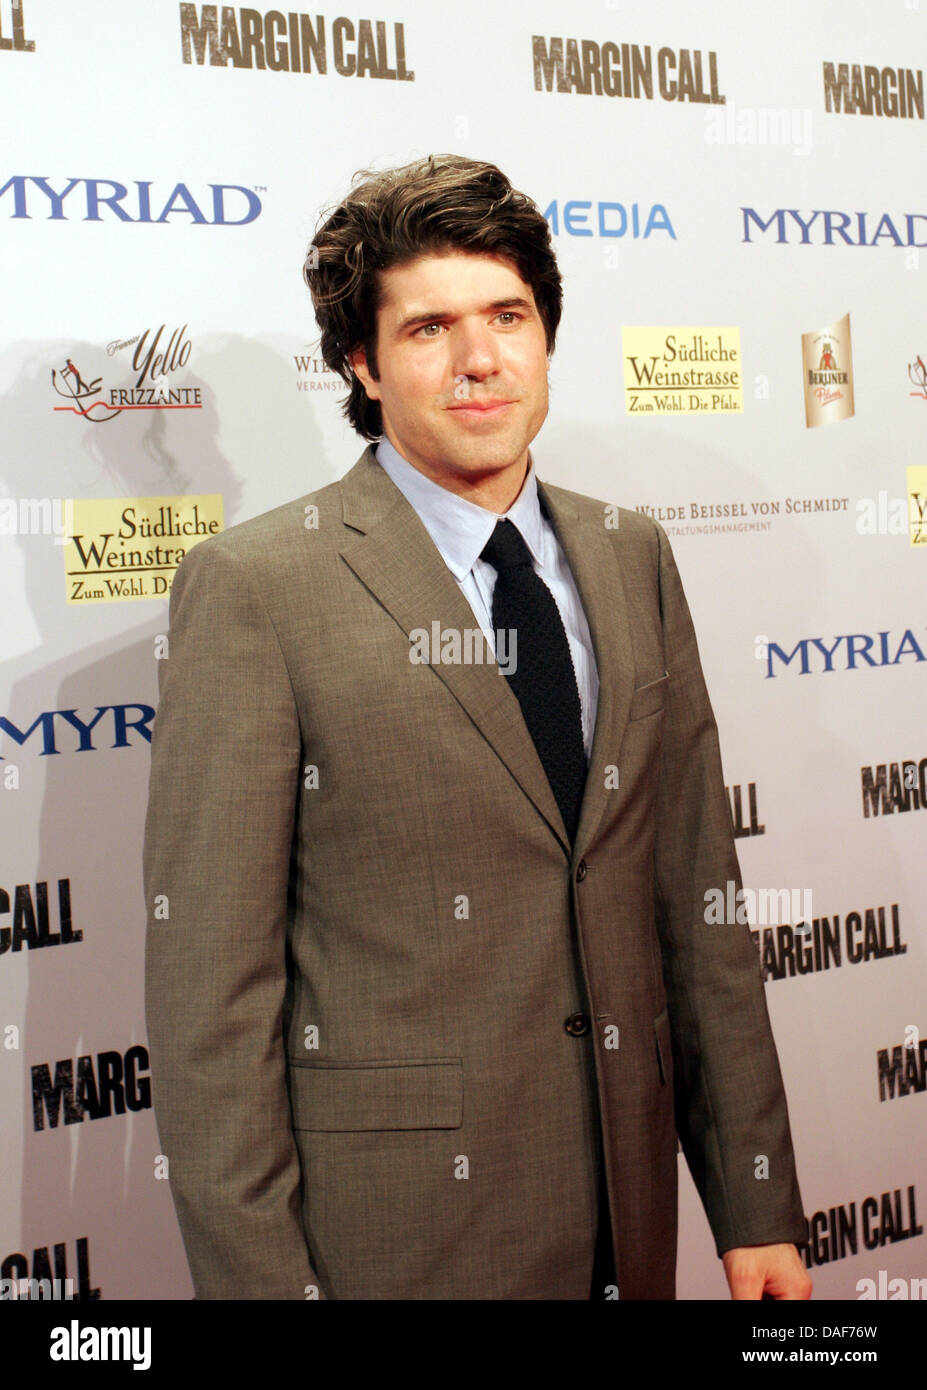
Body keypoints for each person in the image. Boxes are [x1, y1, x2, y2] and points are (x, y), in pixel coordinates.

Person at [143, 154, 811, 1301]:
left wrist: (755, 1207)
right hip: (397, 1246)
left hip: (627, 1219)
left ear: (546, 332)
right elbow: (213, 1003)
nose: (478, 360)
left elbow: (699, 905)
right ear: (361, 361)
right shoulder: (257, 587)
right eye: (428, 329)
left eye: (507, 315)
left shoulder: (630, 553)